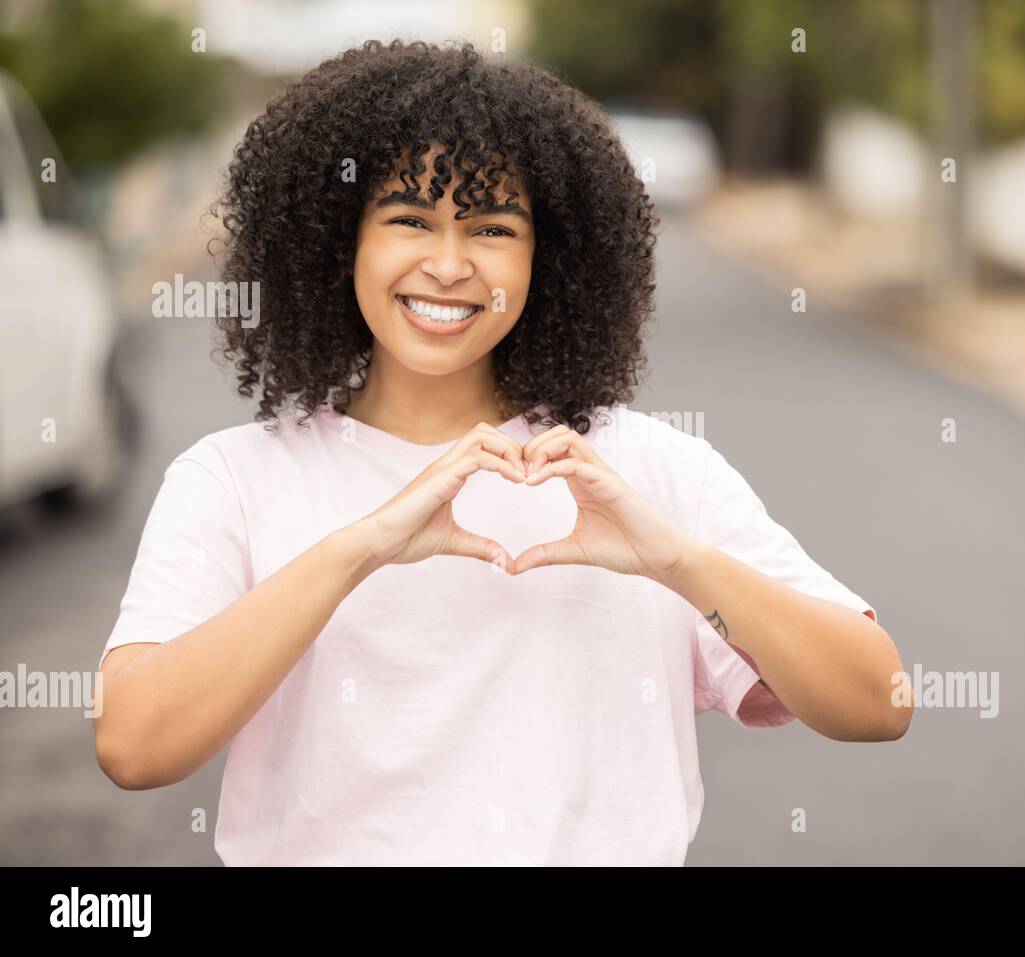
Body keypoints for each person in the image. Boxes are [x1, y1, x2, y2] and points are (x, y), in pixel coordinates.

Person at [92, 38, 910, 866]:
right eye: (409, 220)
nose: (447, 265)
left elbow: (881, 700)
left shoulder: (650, 471)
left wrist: (680, 563)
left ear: (544, 259)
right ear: (342, 240)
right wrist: (359, 548)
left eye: (491, 228)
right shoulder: (232, 479)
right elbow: (134, 745)